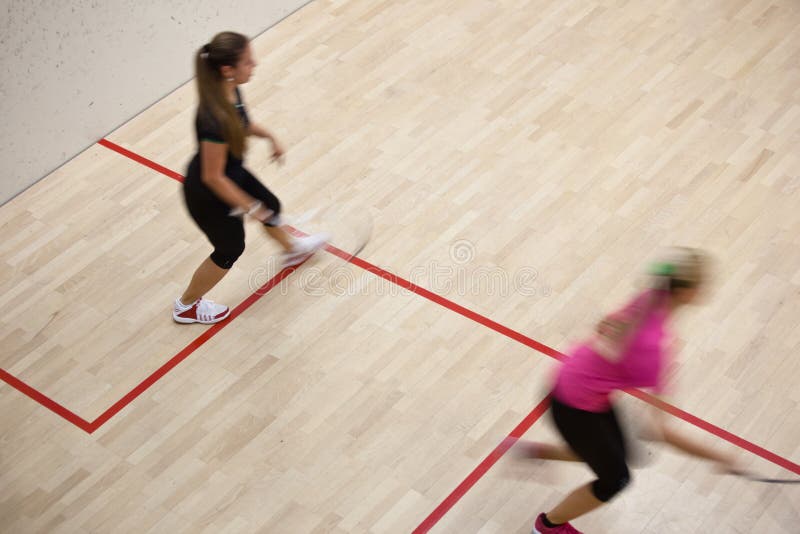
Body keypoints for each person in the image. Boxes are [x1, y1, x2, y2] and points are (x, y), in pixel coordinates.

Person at [514, 248, 736, 533]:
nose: (705, 290)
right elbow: (662, 432)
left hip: (574, 383)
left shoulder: (649, 298)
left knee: (619, 454)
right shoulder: (653, 346)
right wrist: (719, 458)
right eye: (702, 285)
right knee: (615, 480)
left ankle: (535, 452)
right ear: (686, 292)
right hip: (574, 406)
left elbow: (604, 325)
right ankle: (548, 527)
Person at [173, 31, 327, 324]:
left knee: (271, 206)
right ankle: (186, 305)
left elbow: (243, 123)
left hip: (231, 172)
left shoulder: (230, 90)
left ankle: (292, 250)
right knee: (230, 248)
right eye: (247, 61)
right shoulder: (213, 118)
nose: (254, 64)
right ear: (227, 69)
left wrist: (270, 136)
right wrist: (249, 207)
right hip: (208, 193)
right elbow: (213, 177)